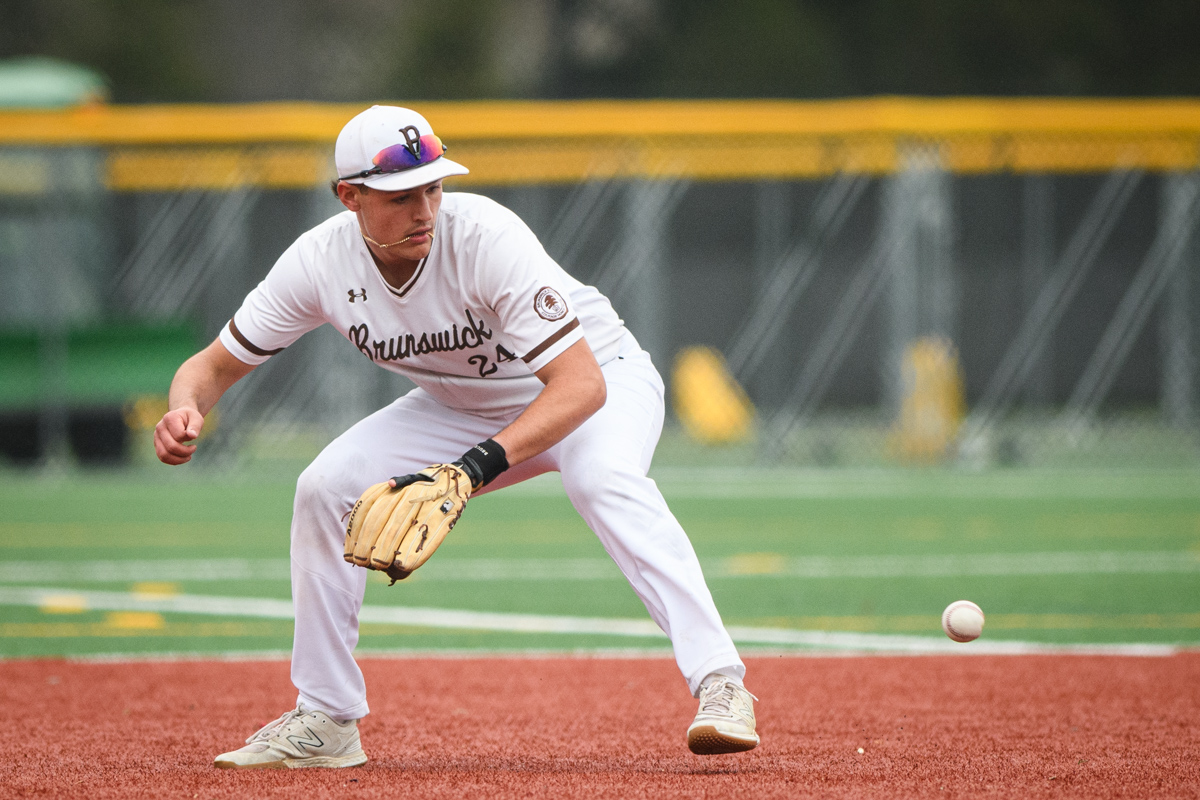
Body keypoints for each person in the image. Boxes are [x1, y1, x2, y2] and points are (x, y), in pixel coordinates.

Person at [155, 105, 758, 769]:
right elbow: (210, 367)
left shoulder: (484, 237)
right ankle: (326, 718)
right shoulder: (319, 263)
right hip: (462, 407)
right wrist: (185, 409)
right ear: (349, 197)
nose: (424, 211)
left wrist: (473, 468)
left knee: (601, 478)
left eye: (433, 188)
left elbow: (581, 385)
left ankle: (720, 682)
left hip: (599, 382)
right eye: (400, 197)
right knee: (324, 486)